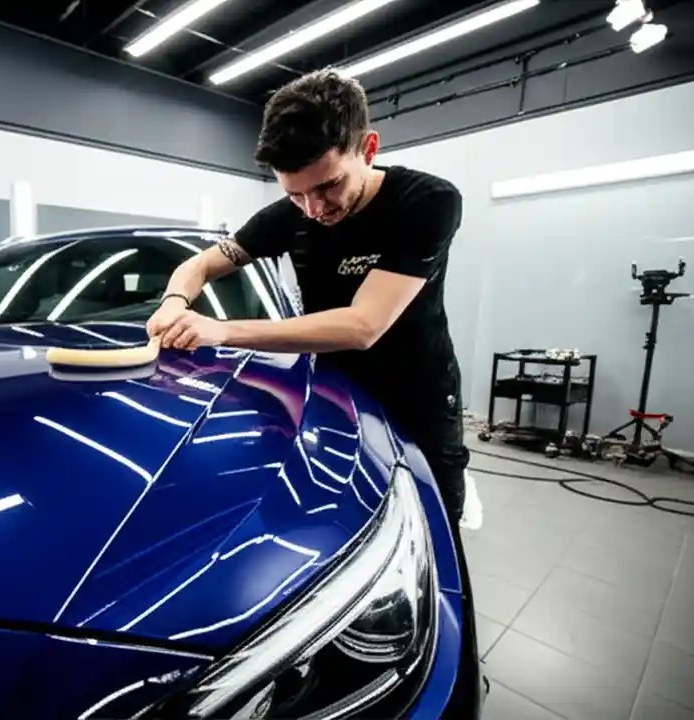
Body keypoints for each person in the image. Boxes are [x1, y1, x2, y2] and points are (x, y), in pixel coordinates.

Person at [147, 68, 469, 525]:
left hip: (417, 401)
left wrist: (219, 330)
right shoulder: (291, 215)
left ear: (368, 149)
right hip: (337, 396)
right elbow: (198, 265)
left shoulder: (427, 201)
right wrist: (174, 303)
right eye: (295, 194)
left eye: (328, 186)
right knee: (338, 522)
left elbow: (363, 326)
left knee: (433, 531)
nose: (314, 210)